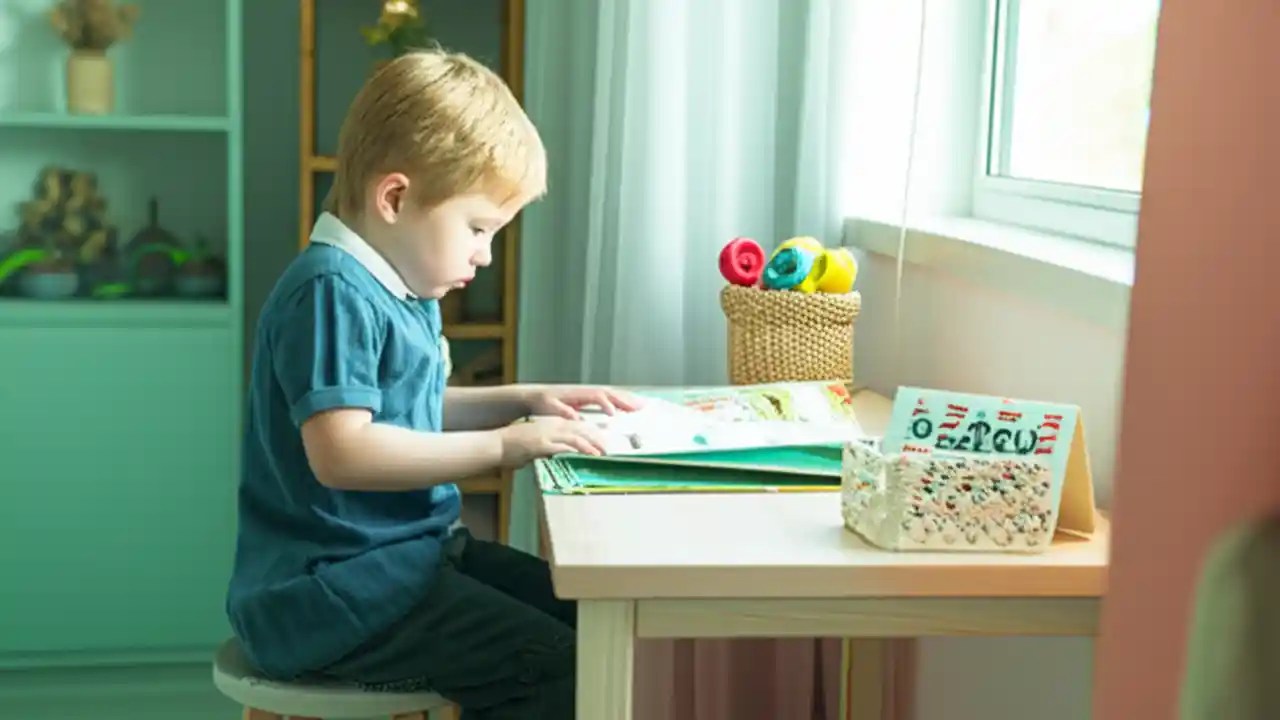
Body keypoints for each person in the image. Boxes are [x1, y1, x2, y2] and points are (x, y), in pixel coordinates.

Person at [226, 48, 641, 719]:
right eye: (478, 228)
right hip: (329, 596)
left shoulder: (398, 287)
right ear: (395, 198)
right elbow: (345, 451)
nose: (485, 253)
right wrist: (506, 446)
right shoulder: (333, 292)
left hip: (403, 564)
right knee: (558, 668)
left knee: (591, 620)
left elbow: (410, 411)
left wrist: (526, 399)